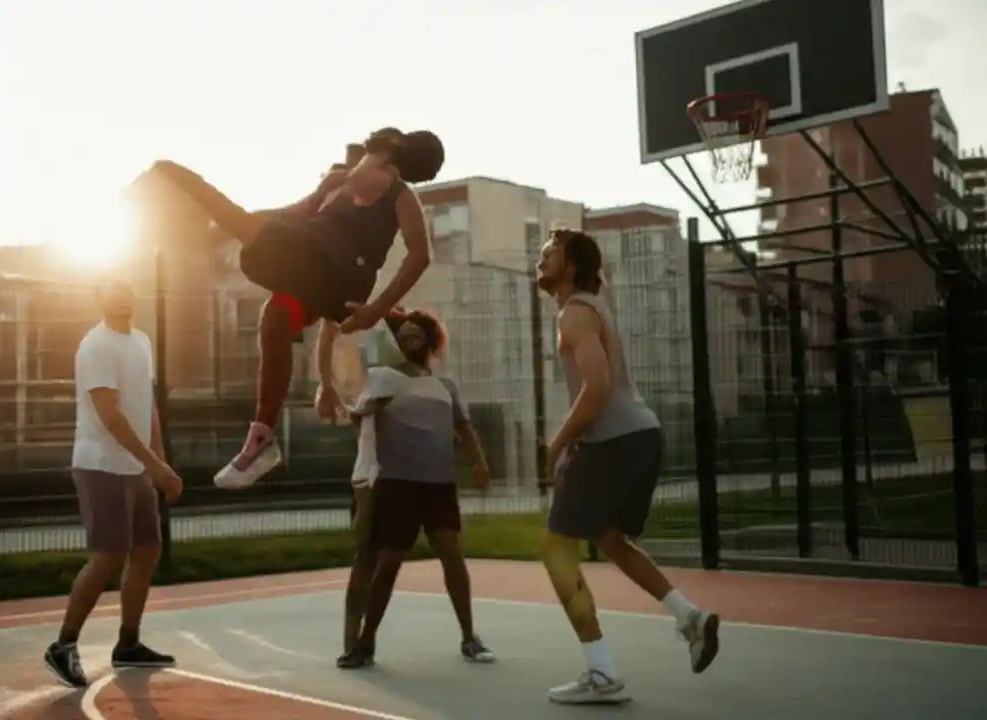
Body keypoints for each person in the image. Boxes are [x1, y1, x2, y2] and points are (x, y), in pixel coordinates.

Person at [139, 127, 443, 490]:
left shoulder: (400, 194)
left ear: (397, 150)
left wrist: (377, 309)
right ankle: (262, 439)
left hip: (340, 272)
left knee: (251, 232)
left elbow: (420, 255)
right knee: (275, 319)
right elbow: (292, 215)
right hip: (308, 269)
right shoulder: (338, 183)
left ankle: (173, 174)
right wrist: (232, 227)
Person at [534, 229, 720, 705]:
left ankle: (600, 672)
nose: (540, 259)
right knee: (612, 538)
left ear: (572, 267)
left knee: (558, 551)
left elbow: (596, 388)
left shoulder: (574, 312)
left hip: (616, 438)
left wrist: (557, 444)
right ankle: (689, 618)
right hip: (640, 434)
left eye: (550, 253)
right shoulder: (595, 305)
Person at [43, 276, 185, 689]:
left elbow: (148, 405)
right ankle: (63, 645)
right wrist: (153, 465)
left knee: (147, 550)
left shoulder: (141, 340)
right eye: (111, 291)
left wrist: (159, 462)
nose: (122, 297)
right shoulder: (96, 346)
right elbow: (110, 415)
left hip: (136, 465)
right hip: (101, 463)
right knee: (108, 555)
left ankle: (128, 644)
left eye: (127, 289)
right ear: (98, 298)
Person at [337, 308, 496, 669]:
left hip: (439, 483)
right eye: (403, 335)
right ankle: (366, 642)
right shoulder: (383, 378)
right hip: (396, 483)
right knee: (388, 562)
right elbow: (358, 419)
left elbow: (464, 428)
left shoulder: (446, 386)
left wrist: (479, 461)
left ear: (430, 338)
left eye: (416, 333)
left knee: (452, 557)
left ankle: (470, 636)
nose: (409, 338)